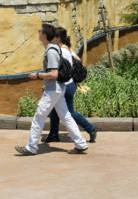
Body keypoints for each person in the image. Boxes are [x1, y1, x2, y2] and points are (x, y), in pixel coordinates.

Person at [15, 23, 88, 156]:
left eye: (39, 31)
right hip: (57, 89)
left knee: (39, 117)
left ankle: (31, 147)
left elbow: (54, 74)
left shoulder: (51, 51)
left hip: (53, 90)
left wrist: (37, 75)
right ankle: (81, 144)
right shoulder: (53, 49)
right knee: (66, 117)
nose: (38, 32)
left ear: (44, 35)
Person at [45, 28, 97, 145]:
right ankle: (53, 135)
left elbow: (57, 71)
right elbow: (77, 59)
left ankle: (91, 128)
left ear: (58, 38)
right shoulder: (66, 48)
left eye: (52, 36)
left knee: (69, 113)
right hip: (69, 84)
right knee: (54, 110)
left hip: (65, 86)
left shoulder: (61, 51)